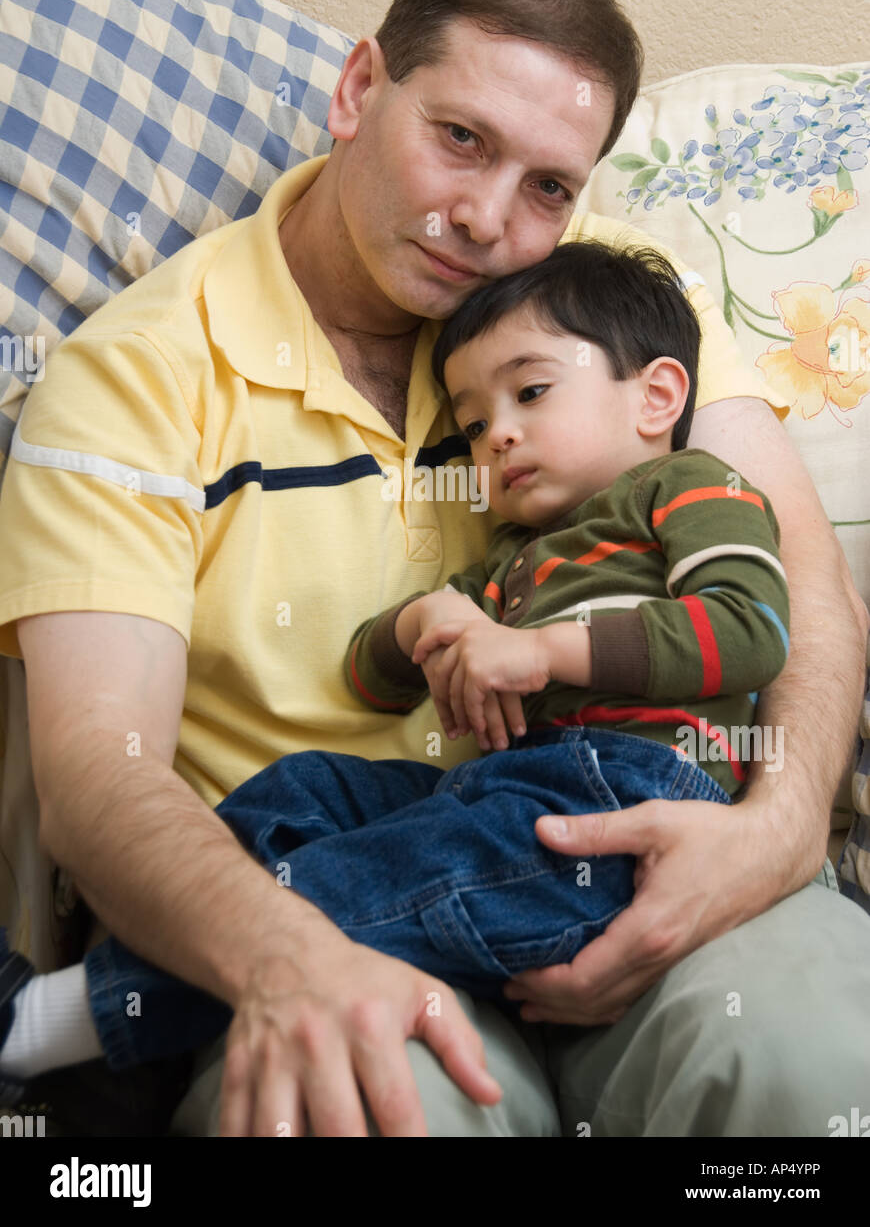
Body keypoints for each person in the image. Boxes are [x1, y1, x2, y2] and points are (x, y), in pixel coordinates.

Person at [0, 0, 867, 1139]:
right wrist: (284, 958)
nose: (488, 220)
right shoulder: (134, 374)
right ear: (360, 89)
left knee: (821, 1058)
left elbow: (804, 591)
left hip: (667, 836)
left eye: (549, 185)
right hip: (330, 914)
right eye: (460, 139)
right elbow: (100, 773)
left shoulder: (603, 309)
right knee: (382, 1109)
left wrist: (774, 833)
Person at [0, 237, 791, 1088]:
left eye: (530, 392)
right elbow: (370, 682)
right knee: (302, 791)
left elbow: (749, 630)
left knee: (394, 876)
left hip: (632, 804)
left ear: (657, 395)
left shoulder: (693, 486)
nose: (499, 437)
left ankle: (67, 1021)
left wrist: (540, 651)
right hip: (509, 788)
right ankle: (166, 970)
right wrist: (423, 621)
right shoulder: (519, 558)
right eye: (475, 424)